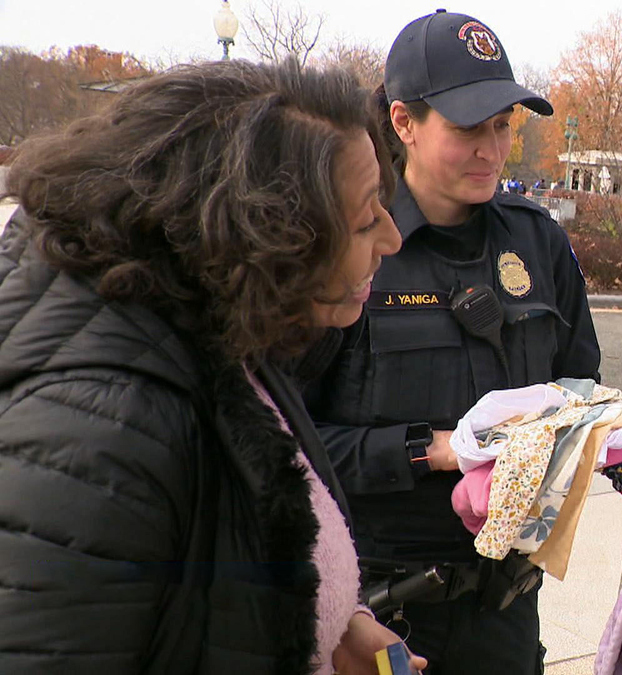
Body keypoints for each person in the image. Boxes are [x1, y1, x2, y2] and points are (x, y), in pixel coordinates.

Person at [0, 59, 428, 674]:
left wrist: (333, 627)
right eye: (364, 219)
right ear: (267, 235)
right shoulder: (98, 439)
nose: (391, 239)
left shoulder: (219, 336)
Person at [302, 9, 601, 674]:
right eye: (468, 128)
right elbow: (285, 442)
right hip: (383, 614)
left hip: (506, 612)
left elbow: (579, 386)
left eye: (502, 125)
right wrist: (432, 450)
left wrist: (588, 437)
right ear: (403, 123)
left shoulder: (538, 242)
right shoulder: (351, 247)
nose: (491, 149)